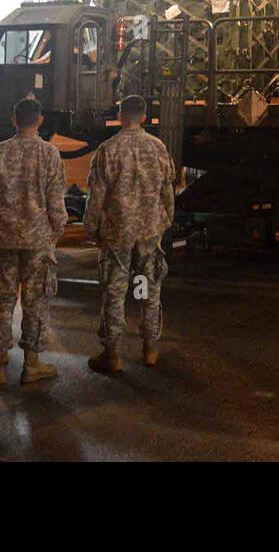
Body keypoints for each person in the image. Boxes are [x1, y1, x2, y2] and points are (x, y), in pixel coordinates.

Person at [84, 95, 176, 373]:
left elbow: (96, 195)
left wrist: (92, 228)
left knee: (114, 291)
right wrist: (166, 221)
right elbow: (167, 190)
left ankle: (111, 354)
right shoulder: (158, 148)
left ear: (121, 115)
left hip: (117, 230)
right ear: (145, 117)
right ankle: (149, 349)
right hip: (149, 230)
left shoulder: (107, 150)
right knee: (150, 290)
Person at [0, 97, 67, 386]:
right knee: (35, 302)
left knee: (2, 301)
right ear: (40, 120)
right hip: (37, 239)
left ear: (14, 120)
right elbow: (56, 202)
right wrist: (56, 232)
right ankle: (32, 364)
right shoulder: (50, 153)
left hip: (3, 239)